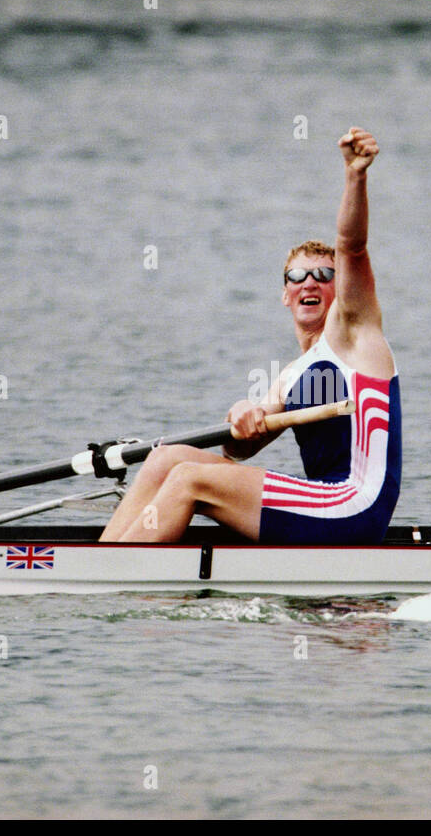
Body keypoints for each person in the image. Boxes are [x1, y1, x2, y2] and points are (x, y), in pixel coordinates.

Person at [99, 127, 400, 543]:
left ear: (342, 288)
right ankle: (102, 558)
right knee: (165, 459)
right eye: (297, 275)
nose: (309, 283)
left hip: (353, 505)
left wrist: (355, 174)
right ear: (284, 294)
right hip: (321, 504)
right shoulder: (292, 375)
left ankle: (117, 573)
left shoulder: (357, 334)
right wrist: (241, 413)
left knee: (188, 479)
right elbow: (237, 451)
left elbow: (351, 245)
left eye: (323, 275)